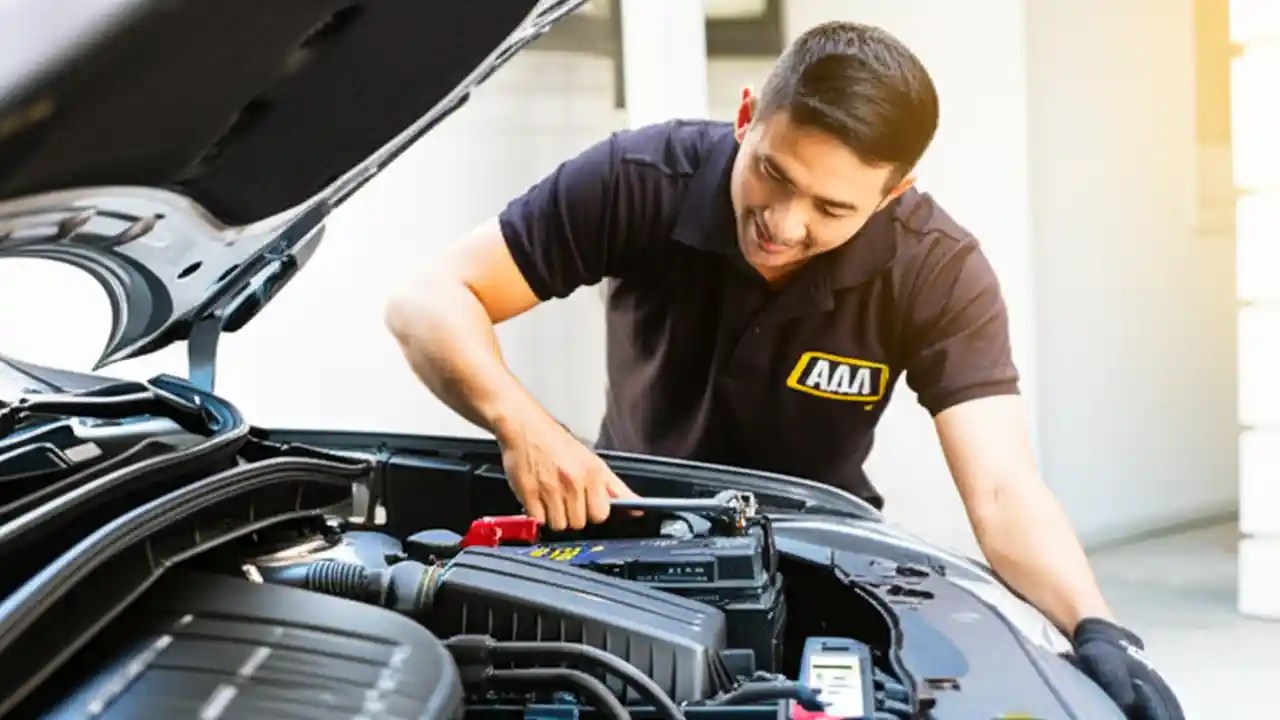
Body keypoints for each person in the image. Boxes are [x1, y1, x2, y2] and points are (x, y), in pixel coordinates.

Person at [385, 19, 1184, 720]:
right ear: (746, 117)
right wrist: (527, 428)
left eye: (833, 209)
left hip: (819, 553)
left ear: (894, 193)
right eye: (774, 173)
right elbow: (427, 300)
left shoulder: (936, 269)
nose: (785, 223)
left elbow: (1005, 488)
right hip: (631, 529)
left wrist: (1097, 627)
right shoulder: (639, 180)